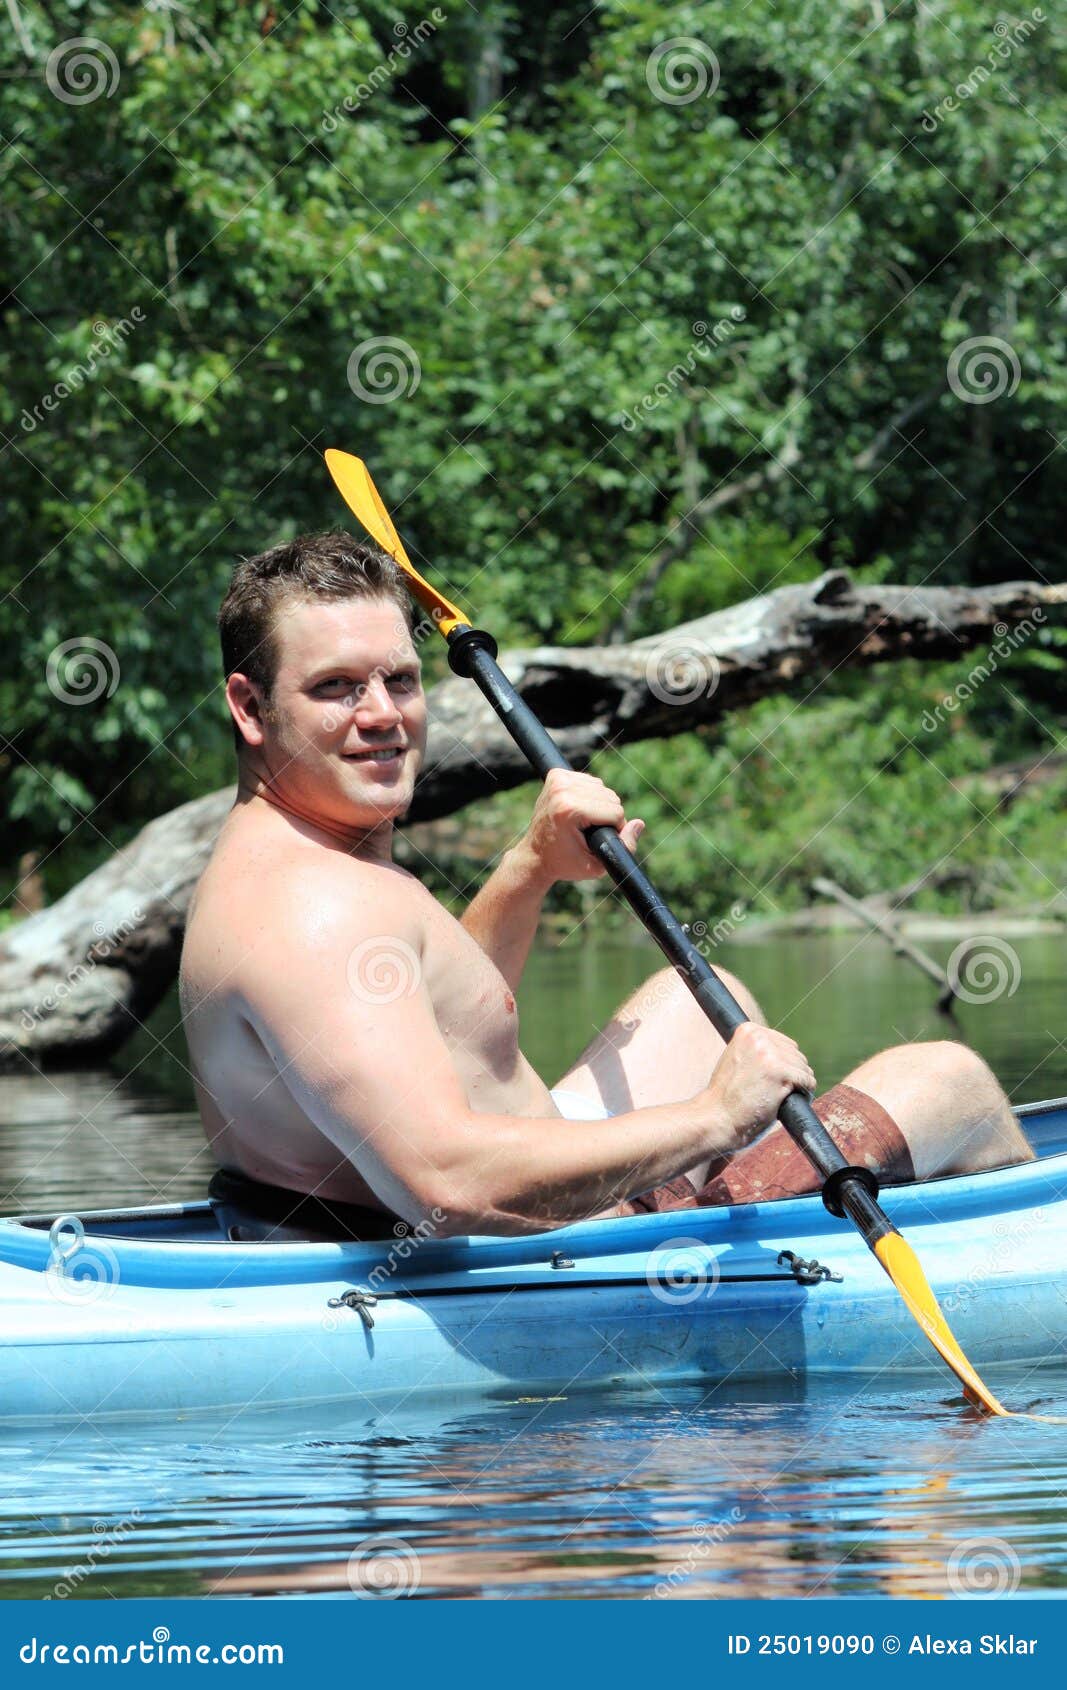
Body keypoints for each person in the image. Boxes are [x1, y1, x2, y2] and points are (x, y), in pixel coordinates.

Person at [180, 534, 1033, 1243]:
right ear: (249, 708)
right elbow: (446, 1184)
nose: (381, 715)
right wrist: (714, 1118)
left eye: (398, 680)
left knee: (700, 999)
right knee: (947, 1079)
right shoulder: (315, 907)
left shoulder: (296, 855)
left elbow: (432, 1025)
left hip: (496, 1204)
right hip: (528, 1252)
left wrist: (529, 870)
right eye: (335, 687)